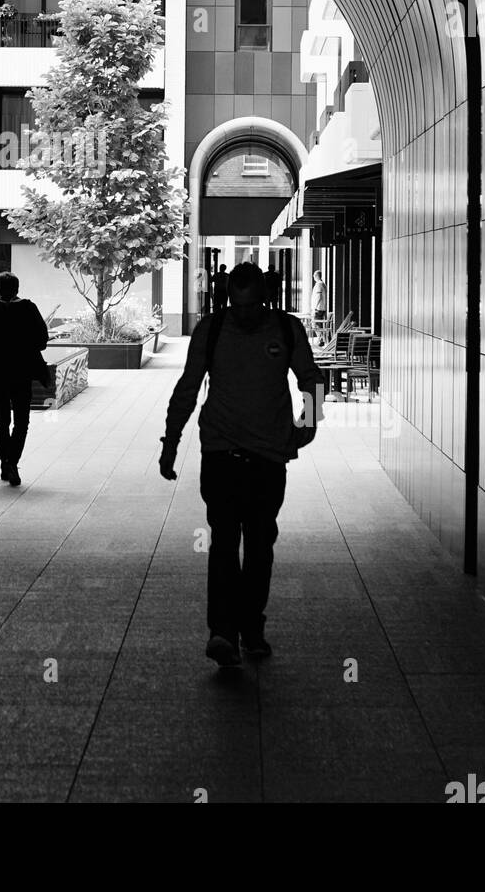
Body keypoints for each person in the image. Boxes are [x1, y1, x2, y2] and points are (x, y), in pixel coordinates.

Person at [159, 262, 325, 667]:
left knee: (260, 545)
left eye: (252, 307)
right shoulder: (212, 329)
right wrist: (171, 441)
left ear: (264, 299)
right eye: (238, 306)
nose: (245, 314)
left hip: (268, 458)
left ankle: (251, 626)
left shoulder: (286, 329)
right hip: (221, 453)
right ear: (229, 298)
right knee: (223, 543)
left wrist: (309, 423)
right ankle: (222, 632)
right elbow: (187, 386)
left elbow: (313, 379)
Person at [0, 271, 50, 487]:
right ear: (17, 288)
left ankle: (5, 461)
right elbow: (42, 340)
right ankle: (12, 461)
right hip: (22, 373)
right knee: (21, 420)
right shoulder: (28, 308)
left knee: (1, 419)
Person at [309, 270, 328, 340]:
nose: (313, 277)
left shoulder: (319, 285)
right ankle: (322, 338)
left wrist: (314, 308)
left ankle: (321, 339)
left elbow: (318, 297)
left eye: (314, 276)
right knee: (318, 325)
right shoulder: (323, 284)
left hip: (318, 309)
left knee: (315, 324)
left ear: (316, 276)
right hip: (322, 308)